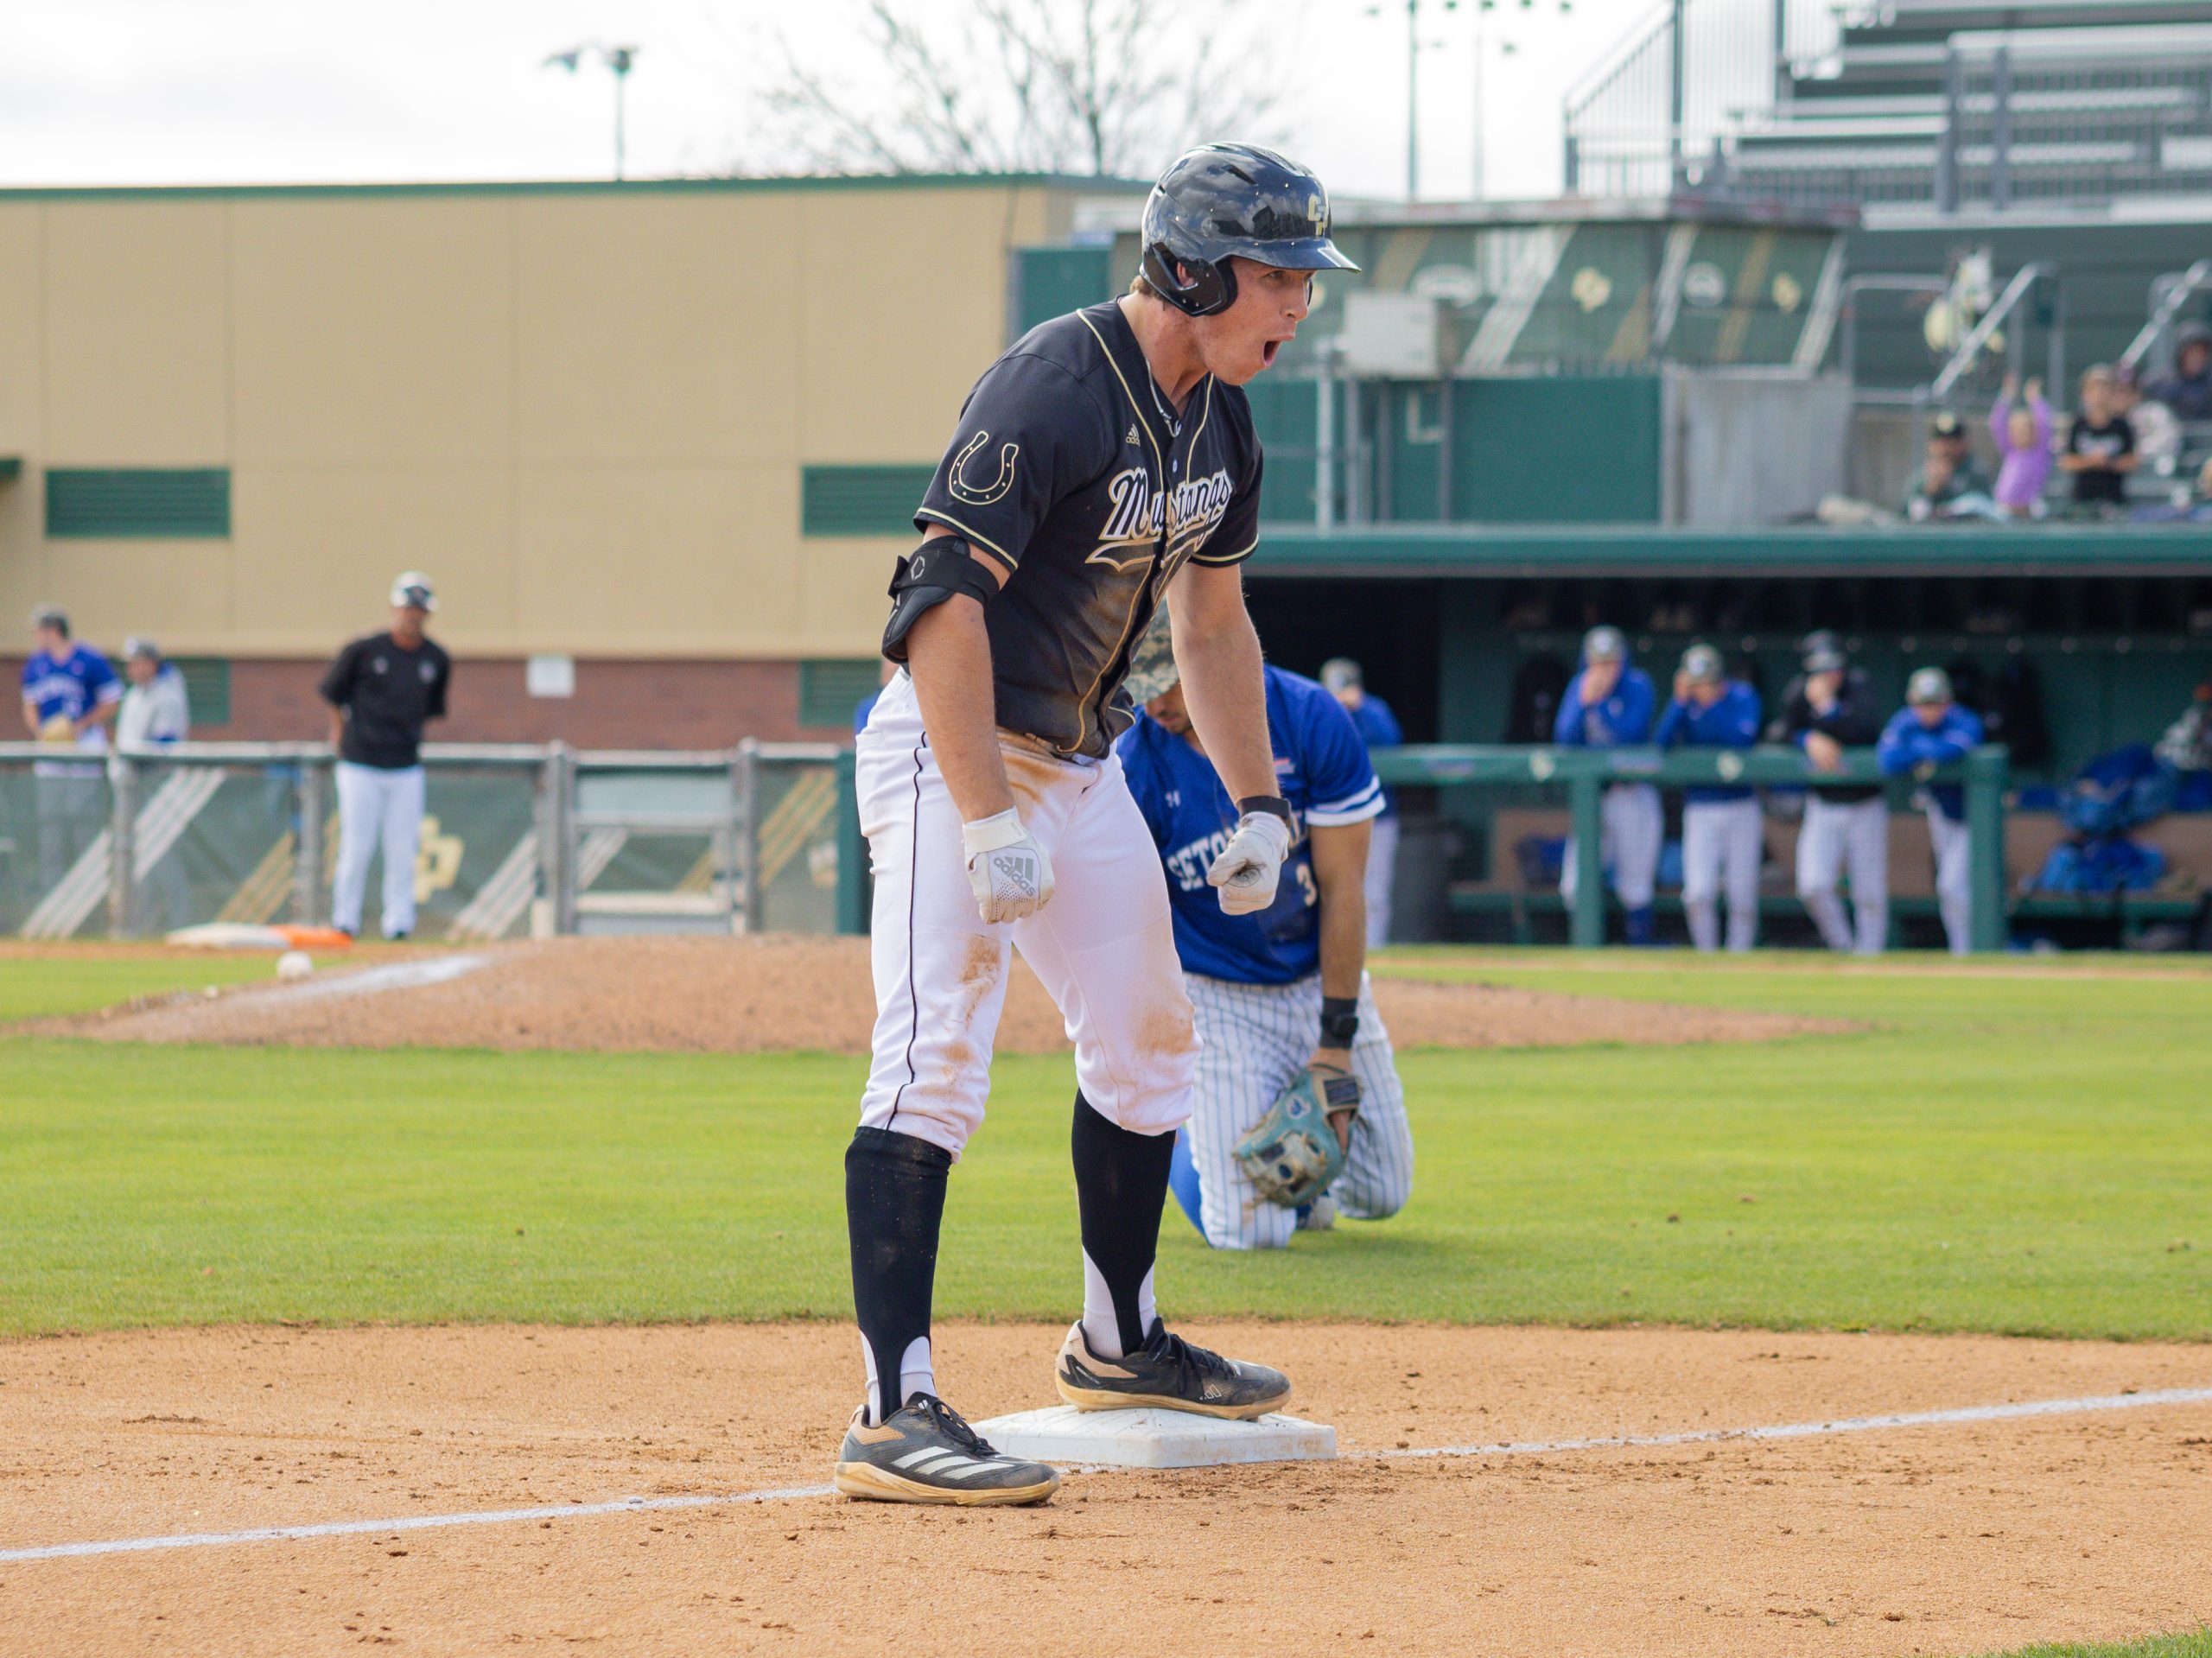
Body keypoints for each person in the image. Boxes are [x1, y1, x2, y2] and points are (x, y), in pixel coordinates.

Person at [835, 143, 1355, 1508]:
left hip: (1080, 756)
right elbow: (939, 600)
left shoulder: (1222, 421)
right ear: (1192, 265)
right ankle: (893, 1407)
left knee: (1147, 1036)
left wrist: (1256, 799)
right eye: (1278, 273)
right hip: (949, 751)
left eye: (1307, 276)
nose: (1299, 302)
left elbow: (1213, 619)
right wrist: (983, 809)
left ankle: (1117, 1340)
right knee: (934, 1055)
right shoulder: (1054, 385)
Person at [1117, 617, 1412, 1251]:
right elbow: (1134, 923)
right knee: (1248, 1234)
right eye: (1142, 686)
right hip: (1220, 997)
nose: (1156, 702)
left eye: (1168, 682)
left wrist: (1336, 1038)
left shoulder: (1308, 717)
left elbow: (1344, 890)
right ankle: (1183, 1138)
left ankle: (1300, 1187)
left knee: (1382, 1194)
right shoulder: (1137, 762)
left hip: (1317, 980)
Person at [319, 572, 449, 941]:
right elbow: (332, 693)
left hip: (405, 766)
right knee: (357, 845)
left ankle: (399, 924)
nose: (413, 616)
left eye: (420, 610)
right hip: (360, 762)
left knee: (402, 847)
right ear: (394, 607)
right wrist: (338, 731)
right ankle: (345, 921)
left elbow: (430, 710)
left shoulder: (436, 659)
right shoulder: (365, 649)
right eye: (408, 607)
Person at [1771, 632, 1888, 954]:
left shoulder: (1859, 685)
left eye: (1833, 667)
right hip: (1823, 804)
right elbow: (1778, 733)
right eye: (1820, 669)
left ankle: (1872, 957)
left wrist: (1828, 708)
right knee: (1812, 885)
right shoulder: (1799, 692)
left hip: (1865, 803)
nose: (1828, 675)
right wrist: (1806, 738)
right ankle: (1842, 946)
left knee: (1869, 892)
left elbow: (1865, 731)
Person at [1552, 625, 1660, 944]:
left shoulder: (1638, 685)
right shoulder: (1579, 686)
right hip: (1593, 798)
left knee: (1636, 886)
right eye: (1598, 662)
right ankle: (1585, 953)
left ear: (1622, 660)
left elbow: (1630, 736)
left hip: (1631, 793)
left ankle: (1639, 954)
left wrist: (1599, 705)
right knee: (1574, 885)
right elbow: (1564, 738)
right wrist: (1584, 701)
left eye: (1610, 662)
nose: (1604, 669)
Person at [1656, 644, 1764, 953]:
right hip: (1700, 807)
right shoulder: (1685, 704)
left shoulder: (1742, 696)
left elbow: (1741, 740)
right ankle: (1707, 955)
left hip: (1741, 805)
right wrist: (1679, 702)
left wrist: (1710, 705)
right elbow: (1661, 743)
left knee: (1741, 894)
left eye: (1707, 681)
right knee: (1698, 893)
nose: (1701, 688)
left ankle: (1738, 958)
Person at [1879, 668, 1985, 956]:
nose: (1929, 710)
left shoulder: (1964, 719)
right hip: (1942, 813)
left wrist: (1917, 749)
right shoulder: (1905, 721)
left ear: (1947, 701)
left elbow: (1950, 750)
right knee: (1952, 888)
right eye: (1923, 704)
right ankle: (1961, 951)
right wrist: (1924, 751)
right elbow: (1888, 760)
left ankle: (1969, 951)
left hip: (1978, 817)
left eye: (1935, 703)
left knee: (1953, 885)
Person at [19, 604, 120, 891]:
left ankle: (90, 889)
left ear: (54, 630)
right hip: (52, 751)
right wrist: (41, 732)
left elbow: (112, 700)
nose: (36, 636)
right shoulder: (36, 665)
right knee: (50, 821)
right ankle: (51, 888)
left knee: (84, 821)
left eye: (39, 630)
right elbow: (30, 706)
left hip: (84, 745)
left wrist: (81, 725)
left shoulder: (89, 659)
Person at [1319, 656, 1403, 947]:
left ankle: (1375, 953)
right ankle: (1332, 952)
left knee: (1375, 894)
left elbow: (1392, 741)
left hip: (1378, 818)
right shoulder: (1318, 710)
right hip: (1329, 818)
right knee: (1326, 891)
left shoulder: (1374, 711)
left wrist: (1360, 708)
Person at [2059, 365, 2138, 511]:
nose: (2099, 394)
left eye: (2105, 388)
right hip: (2083, 501)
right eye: (2094, 389)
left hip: (2114, 500)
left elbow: (2132, 461)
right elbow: (2067, 462)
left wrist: (2109, 462)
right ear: (2085, 394)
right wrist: (2091, 461)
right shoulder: (2078, 425)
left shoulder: (2121, 426)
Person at [1988, 375, 2054, 518]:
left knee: (2041, 511)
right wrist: (2005, 397)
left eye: (2025, 429)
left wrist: (2035, 399)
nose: (2020, 434)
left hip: (2030, 507)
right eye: (2015, 430)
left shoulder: (2040, 452)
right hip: (2005, 505)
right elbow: (1996, 423)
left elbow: (2045, 424)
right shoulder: (2010, 451)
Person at [117, 638, 191, 749]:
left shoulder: (168, 694)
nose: (130, 669)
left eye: (136, 663)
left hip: (155, 766)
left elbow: (165, 744)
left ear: (151, 664)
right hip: (129, 764)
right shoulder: (134, 693)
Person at [2146, 322, 2212, 421]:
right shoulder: (2158, 384)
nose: (2197, 358)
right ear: (2180, 353)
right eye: (2191, 352)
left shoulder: (2209, 383)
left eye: (2201, 353)